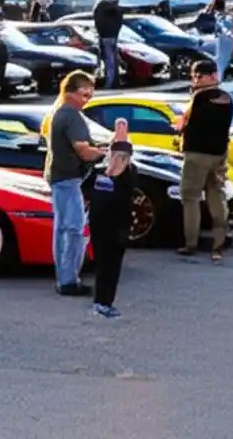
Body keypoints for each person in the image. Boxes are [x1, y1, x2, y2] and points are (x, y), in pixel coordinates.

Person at [46, 71, 107, 296]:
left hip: (59, 177)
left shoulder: (59, 113)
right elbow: (82, 150)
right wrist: (104, 154)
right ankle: (69, 280)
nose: (87, 99)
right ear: (70, 92)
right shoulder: (71, 115)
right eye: (84, 94)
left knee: (62, 229)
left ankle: (65, 278)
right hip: (68, 179)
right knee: (73, 229)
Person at [175, 60, 233, 262]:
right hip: (219, 154)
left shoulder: (198, 99)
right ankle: (219, 242)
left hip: (196, 155)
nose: (196, 79)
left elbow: (185, 124)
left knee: (190, 198)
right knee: (216, 195)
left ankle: (190, 243)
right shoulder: (226, 98)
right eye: (195, 75)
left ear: (212, 76)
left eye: (200, 75)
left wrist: (180, 125)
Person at [86, 118, 133, 319]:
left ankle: (106, 301)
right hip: (100, 227)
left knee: (112, 268)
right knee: (104, 267)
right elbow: (85, 190)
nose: (119, 159)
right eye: (117, 155)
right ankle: (101, 302)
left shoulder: (129, 175)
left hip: (118, 228)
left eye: (123, 156)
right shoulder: (98, 173)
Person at [93, 0, 124, 89]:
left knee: (110, 62)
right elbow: (116, 9)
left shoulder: (102, 5)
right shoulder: (104, 5)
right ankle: (110, 83)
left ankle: (112, 82)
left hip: (107, 37)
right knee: (110, 62)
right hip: (108, 37)